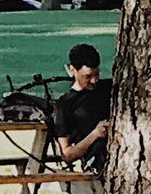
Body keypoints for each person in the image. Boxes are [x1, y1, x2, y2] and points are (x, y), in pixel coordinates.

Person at [49, 44, 115, 177]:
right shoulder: (65, 104)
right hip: (97, 160)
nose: (94, 80)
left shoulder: (108, 88)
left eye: (97, 74)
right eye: (87, 76)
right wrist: (95, 134)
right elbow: (67, 155)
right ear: (71, 70)